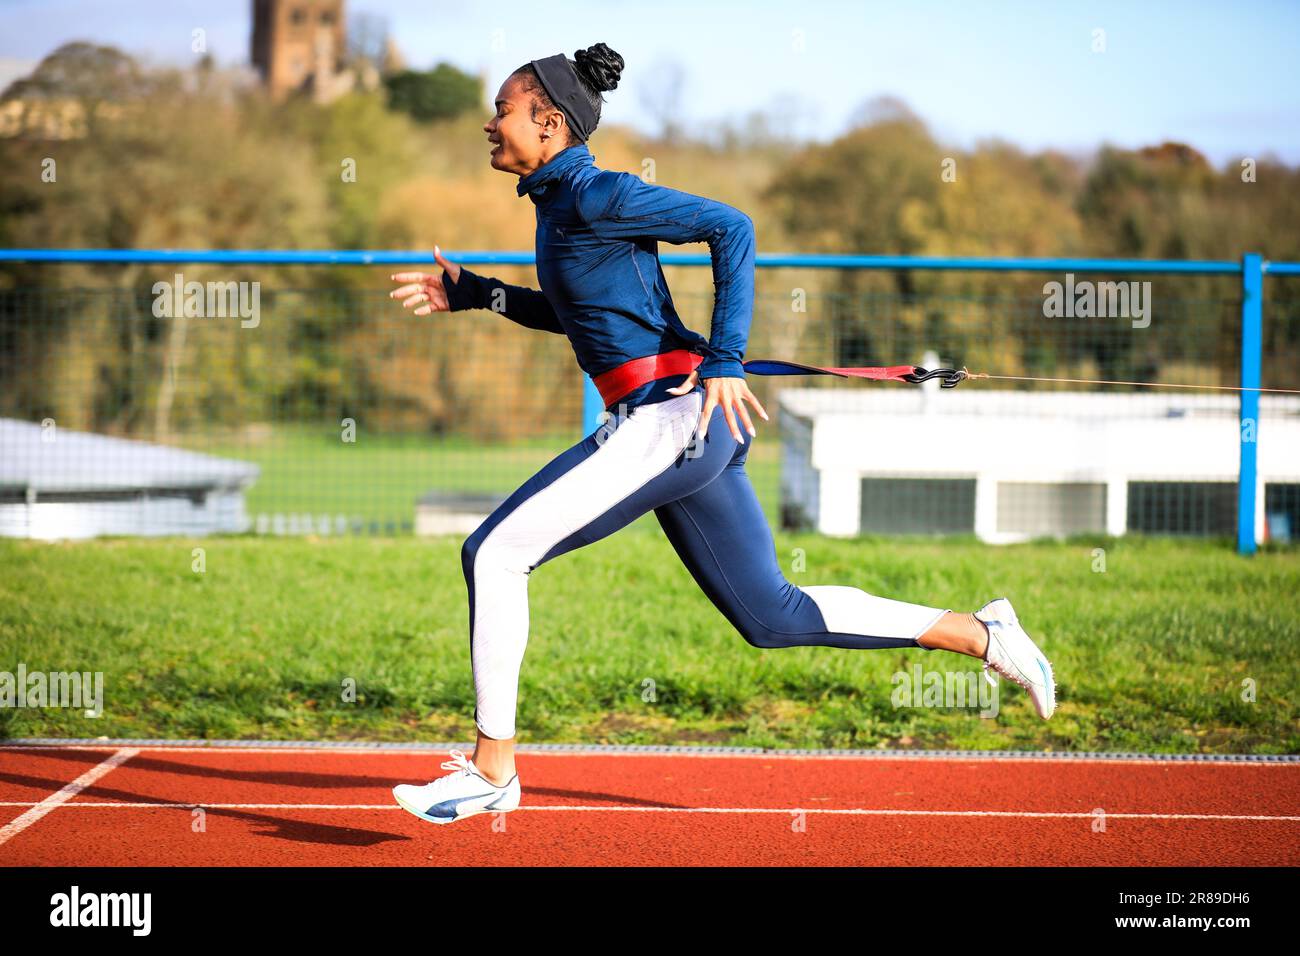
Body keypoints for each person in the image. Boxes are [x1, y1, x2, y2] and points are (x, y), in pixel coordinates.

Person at [388, 43, 1055, 826]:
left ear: (549, 122)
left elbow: (731, 228)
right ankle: (981, 633)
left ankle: (493, 768)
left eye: (503, 109)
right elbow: (575, 313)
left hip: (672, 419)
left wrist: (728, 361)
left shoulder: (599, 194)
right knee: (772, 615)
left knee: (495, 553)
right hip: (682, 427)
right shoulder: (558, 207)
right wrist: (481, 296)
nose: (489, 123)